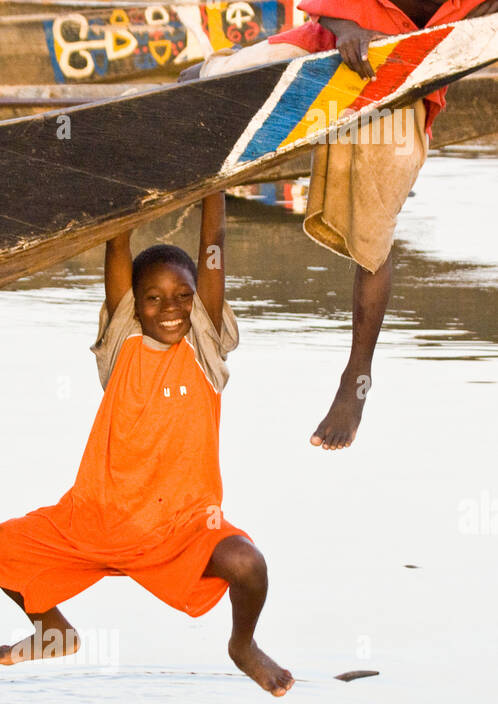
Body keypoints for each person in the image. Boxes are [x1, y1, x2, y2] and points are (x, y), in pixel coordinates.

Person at [0, 193, 294, 697]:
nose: (170, 308)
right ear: (133, 305)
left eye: (183, 296)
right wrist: (121, 185)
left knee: (247, 563)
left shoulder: (204, 347)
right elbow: (116, 249)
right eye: (153, 298)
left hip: (182, 527)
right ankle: (53, 630)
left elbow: (212, 243)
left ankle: (243, 645)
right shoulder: (120, 346)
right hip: (96, 520)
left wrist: (217, 183)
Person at [185, 0, 498, 450]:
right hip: (323, 52)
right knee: (203, 86)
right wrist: (347, 26)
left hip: (402, 89)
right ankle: (202, 74)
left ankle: (357, 377)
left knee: (375, 232)